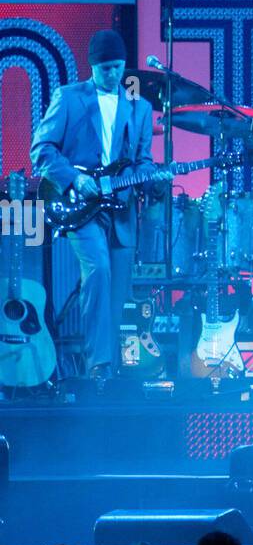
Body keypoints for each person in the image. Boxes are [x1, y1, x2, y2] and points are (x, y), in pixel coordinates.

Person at [31, 29, 161, 383]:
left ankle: (111, 371)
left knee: (118, 288)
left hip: (120, 208)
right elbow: (41, 149)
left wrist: (151, 177)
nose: (113, 75)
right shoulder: (70, 98)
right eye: (105, 68)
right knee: (99, 271)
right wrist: (74, 177)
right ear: (93, 67)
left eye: (118, 67)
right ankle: (98, 367)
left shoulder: (140, 108)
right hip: (80, 207)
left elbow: (144, 161)